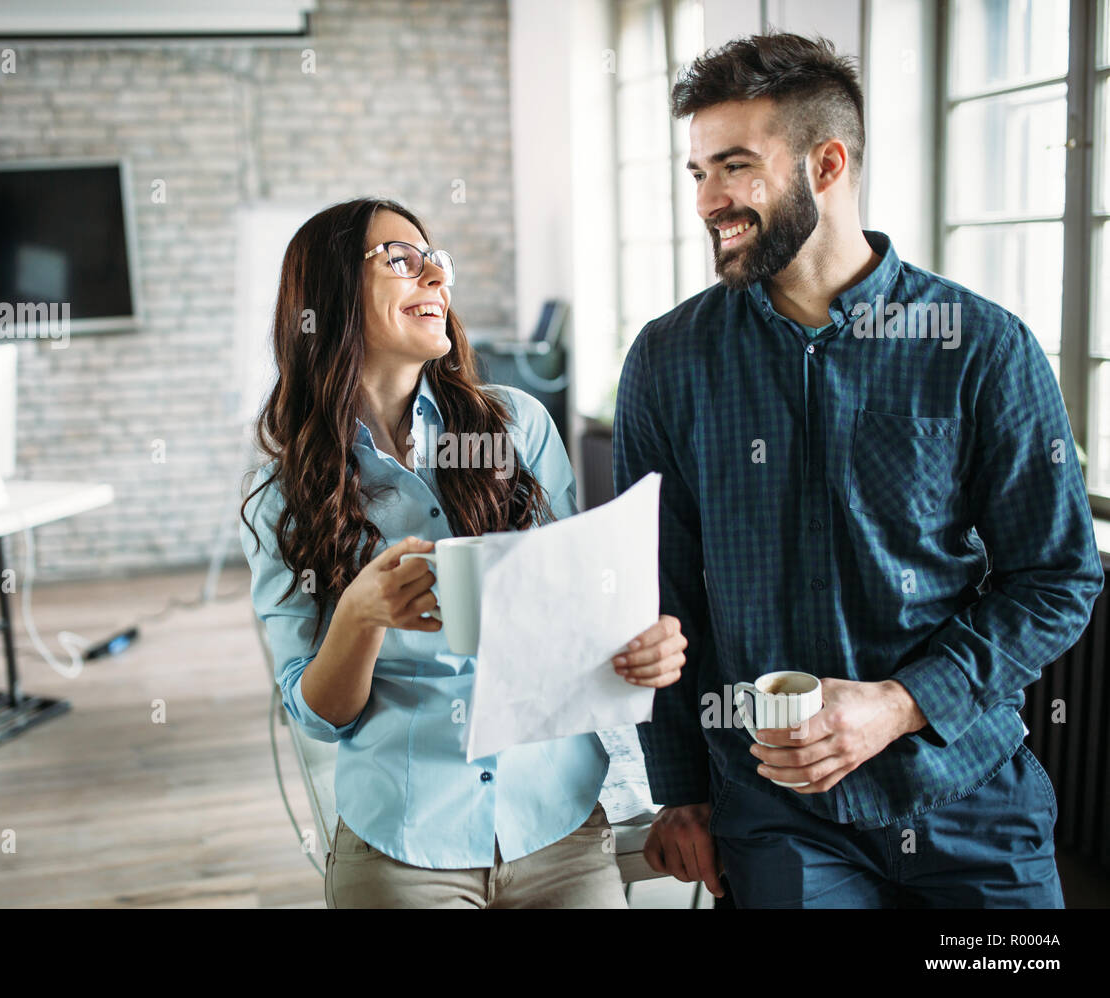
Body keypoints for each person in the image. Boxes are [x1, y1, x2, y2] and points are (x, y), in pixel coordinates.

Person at [613, 32, 1103, 908]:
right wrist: (680, 789)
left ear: (826, 163)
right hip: (777, 814)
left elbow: (1058, 578)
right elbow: (659, 590)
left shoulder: (982, 348)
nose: (709, 200)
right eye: (697, 173)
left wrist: (900, 702)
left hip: (969, 799)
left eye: (735, 168)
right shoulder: (668, 360)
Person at [241, 197, 687, 908]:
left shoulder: (518, 427)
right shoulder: (282, 495)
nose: (435, 278)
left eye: (436, 261)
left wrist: (642, 647)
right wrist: (360, 617)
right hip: (406, 837)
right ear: (328, 295)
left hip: (559, 822)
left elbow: (579, 617)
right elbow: (321, 716)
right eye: (402, 260)